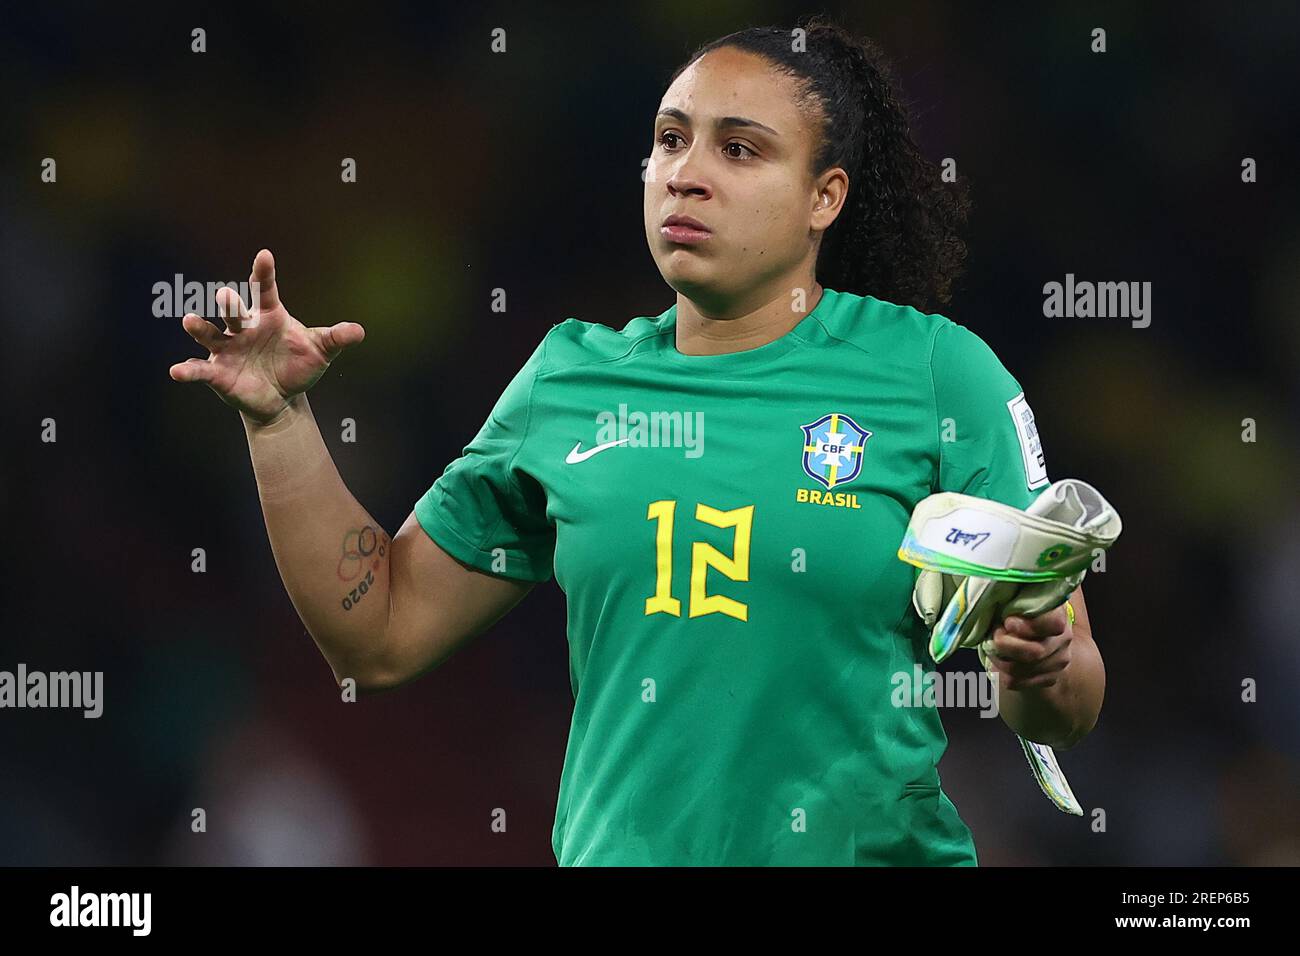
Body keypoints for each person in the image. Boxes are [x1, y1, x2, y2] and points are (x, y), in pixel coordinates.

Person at [169, 18, 1103, 866]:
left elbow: (1067, 698)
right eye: (669, 139)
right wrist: (277, 422)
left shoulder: (938, 375)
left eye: (740, 149)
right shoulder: (571, 382)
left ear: (825, 197)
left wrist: (1041, 661)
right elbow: (377, 632)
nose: (686, 172)